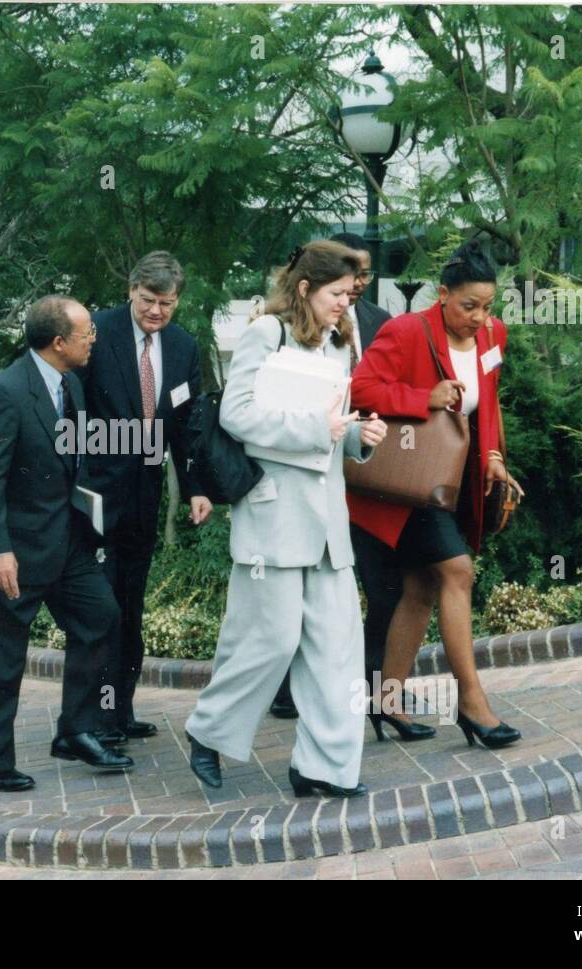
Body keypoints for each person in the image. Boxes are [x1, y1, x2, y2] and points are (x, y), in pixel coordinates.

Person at [184, 241, 387, 796]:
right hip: (273, 516)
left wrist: (357, 439)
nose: (346, 304)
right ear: (305, 288)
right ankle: (209, 731)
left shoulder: (339, 345)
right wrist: (316, 428)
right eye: (337, 294)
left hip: (327, 524)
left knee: (338, 651)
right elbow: (238, 413)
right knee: (267, 640)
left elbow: (332, 426)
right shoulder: (265, 333)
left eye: (350, 295)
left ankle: (322, 768)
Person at [347, 239, 525, 749]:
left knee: (421, 588)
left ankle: (387, 698)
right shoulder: (405, 331)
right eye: (469, 305)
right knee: (457, 571)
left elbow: (486, 403)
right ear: (443, 295)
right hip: (402, 482)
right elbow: (359, 389)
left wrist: (491, 455)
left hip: (446, 480)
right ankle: (471, 702)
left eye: (487, 306)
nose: (479, 317)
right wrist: (422, 397)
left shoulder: (494, 335)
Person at [0, 295, 132, 792]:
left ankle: (76, 730)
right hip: (11, 552)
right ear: (59, 342)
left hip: (66, 543)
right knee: (4, 656)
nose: (94, 340)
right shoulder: (6, 392)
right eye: (86, 334)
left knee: (101, 616)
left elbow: (72, 464)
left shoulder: (71, 386)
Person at [78, 251, 212, 744]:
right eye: (149, 300)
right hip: (94, 495)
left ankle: (120, 712)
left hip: (145, 498)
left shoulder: (181, 347)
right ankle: (91, 720)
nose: (157, 311)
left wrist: (195, 487)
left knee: (131, 605)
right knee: (101, 607)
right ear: (131, 289)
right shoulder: (96, 331)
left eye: (168, 303)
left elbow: (188, 426)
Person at [270, 232, 398, 720]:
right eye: (347, 279)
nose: (357, 287)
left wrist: (365, 431)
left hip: (360, 471)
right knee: (295, 601)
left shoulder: (378, 323)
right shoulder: (281, 330)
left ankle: (362, 691)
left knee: (370, 588)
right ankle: (286, 692)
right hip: (301, 477)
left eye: (363, 276)